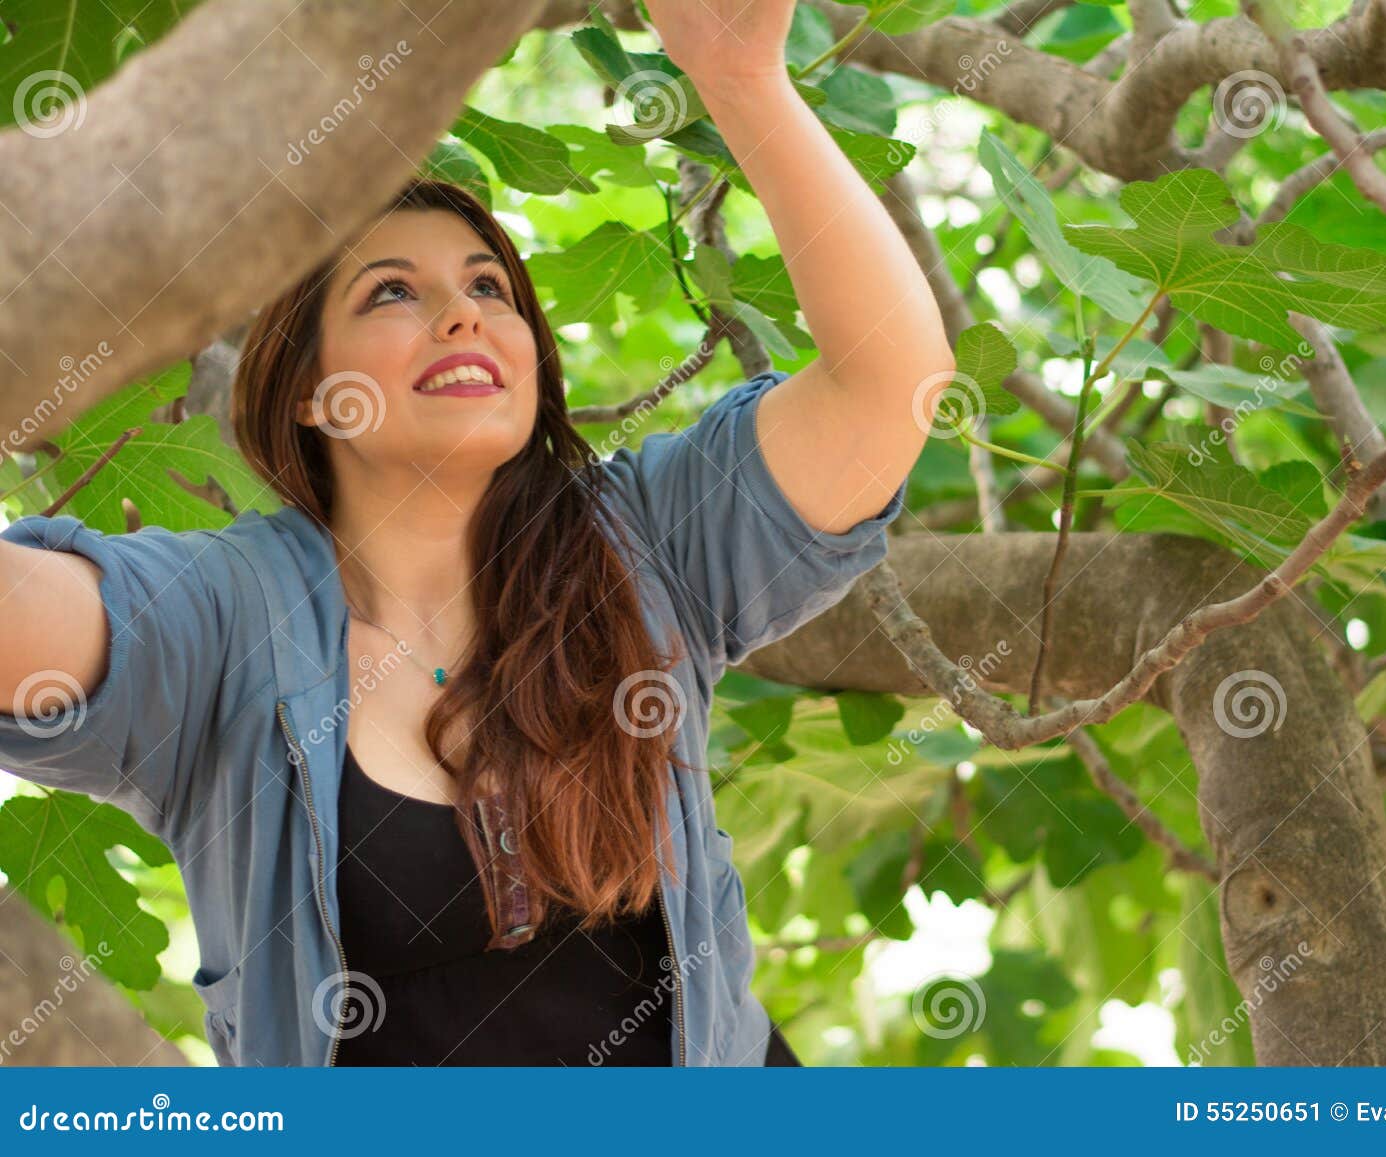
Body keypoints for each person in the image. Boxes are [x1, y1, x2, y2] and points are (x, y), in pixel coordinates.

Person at [0, 0, 954, 1066]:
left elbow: (889, 385)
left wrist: (742, 79)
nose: (462, 314)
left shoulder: (645, 546)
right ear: (310, 391)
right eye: (392, 292)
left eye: (489, 287)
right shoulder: (225, 622)